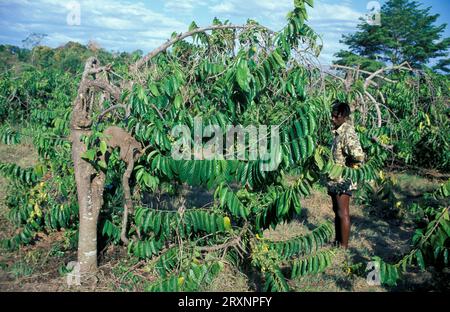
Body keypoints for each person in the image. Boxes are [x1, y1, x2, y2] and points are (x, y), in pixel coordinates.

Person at [328, 100, 365, 249]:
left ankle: (343, 246)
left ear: (344, 117)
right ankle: (337, 241)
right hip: (334, 178)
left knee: (343, 212)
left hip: (343, 179)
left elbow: (358, 155)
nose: (333, 119)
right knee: (337, 211)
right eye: (332, 116)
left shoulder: (347, 132)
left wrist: (347, 166)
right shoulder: (337, 131)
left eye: (336, 117)